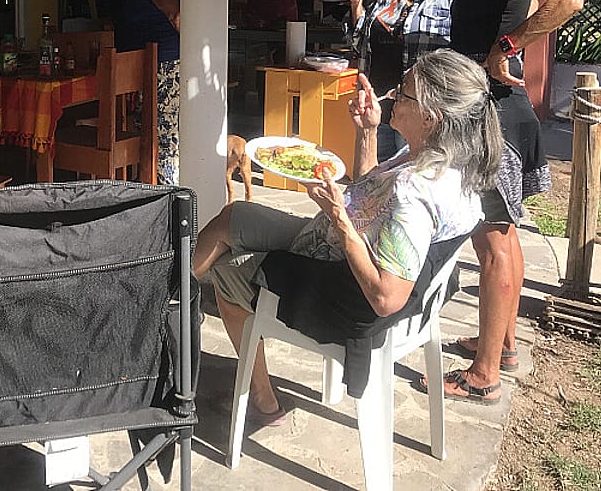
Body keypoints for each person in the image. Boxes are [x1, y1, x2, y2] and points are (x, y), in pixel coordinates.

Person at [192, 50, 500, 420]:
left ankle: (262, 398)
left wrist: (339, 217)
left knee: (227, 272)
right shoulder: (439, 161)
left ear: (431, 117)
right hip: (329, 240)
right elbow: (371, 191)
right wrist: (367, 131)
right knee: (233, 216)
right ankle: (174, 296)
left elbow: (386, 297)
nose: (394, 95)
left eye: (404, 93)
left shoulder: (416, 190)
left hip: (332, 279)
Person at [445, 0, 583, 404]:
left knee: (492, 240)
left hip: (494, 116)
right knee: (504, 235)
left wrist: (506, 45)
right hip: (496, 109)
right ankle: (499, 346)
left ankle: (483, 375)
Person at [346, 0, 467, 160]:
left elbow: (465, 57)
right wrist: (356, 3)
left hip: (424, 115)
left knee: (416, 186)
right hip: (378, 106)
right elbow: (359, 42)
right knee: (374, 185)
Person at [115, 0, 181, 184]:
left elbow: (175, 14)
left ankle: (169, 201)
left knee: (164, 138)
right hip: (152, 66)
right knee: (153, 135)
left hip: (164, 65)